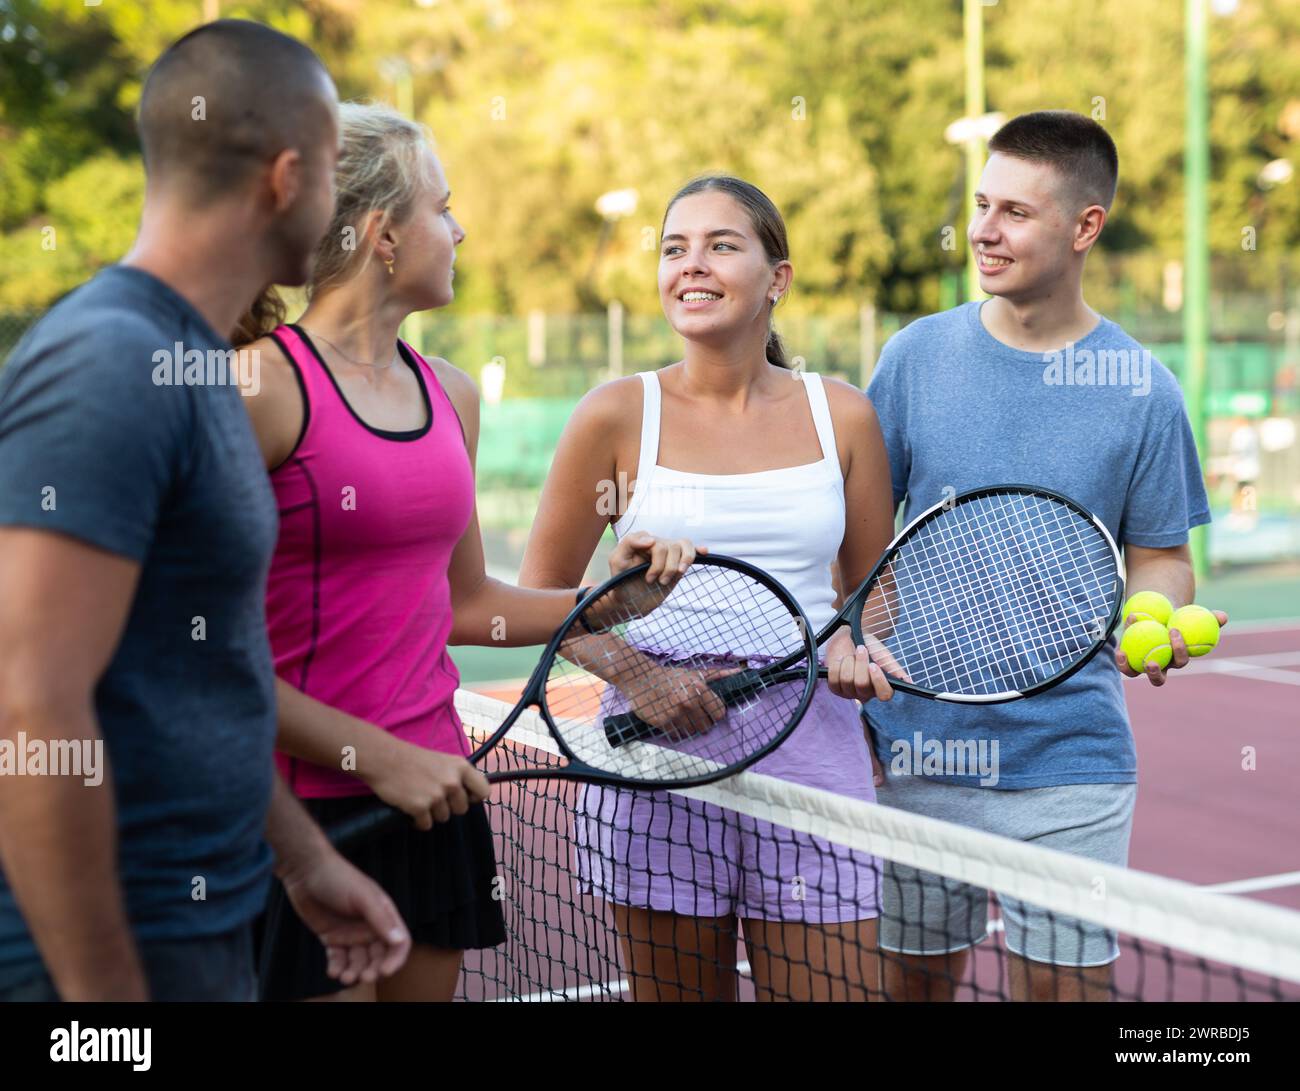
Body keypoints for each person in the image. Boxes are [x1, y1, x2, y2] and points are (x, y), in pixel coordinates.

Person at [235, 102, 697, 1002]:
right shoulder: (258, 387)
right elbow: (201, 650)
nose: (459, 229)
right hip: (292, 817)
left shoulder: (449, 393)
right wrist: (377, 757)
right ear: (382, 235)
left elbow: (467, 603)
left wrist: (610, 599)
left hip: (435, 801)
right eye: (441, 208)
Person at [0, 21, 410, 1002]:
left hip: (204, 924)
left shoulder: (192, 363)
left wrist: (302, 858)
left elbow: (201, 667)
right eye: (327, 170)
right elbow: (28, 706)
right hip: (107, 958)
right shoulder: (111, 360)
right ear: (284, 178)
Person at [863, 110, 1228, 1001]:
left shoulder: (1143, 388)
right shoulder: (913, 358)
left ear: (1084, 226)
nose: (983, 230)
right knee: (910, 989)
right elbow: (862, 548)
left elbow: (1163, 555)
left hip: (1073, 756)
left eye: (1016, 213)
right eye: (982, 204)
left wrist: (1153, 610)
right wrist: (859, 651)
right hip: (918, 753)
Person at [518, 175, 898, 1001]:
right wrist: (640, 676)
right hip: (655, 753)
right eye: (673, 248)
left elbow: (872, 590)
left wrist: (850, 639)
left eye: (722, 244)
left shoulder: (844, 415)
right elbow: (546, 599)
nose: (691, 265)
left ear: (778, 278)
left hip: (811, 742)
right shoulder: (614, 414)